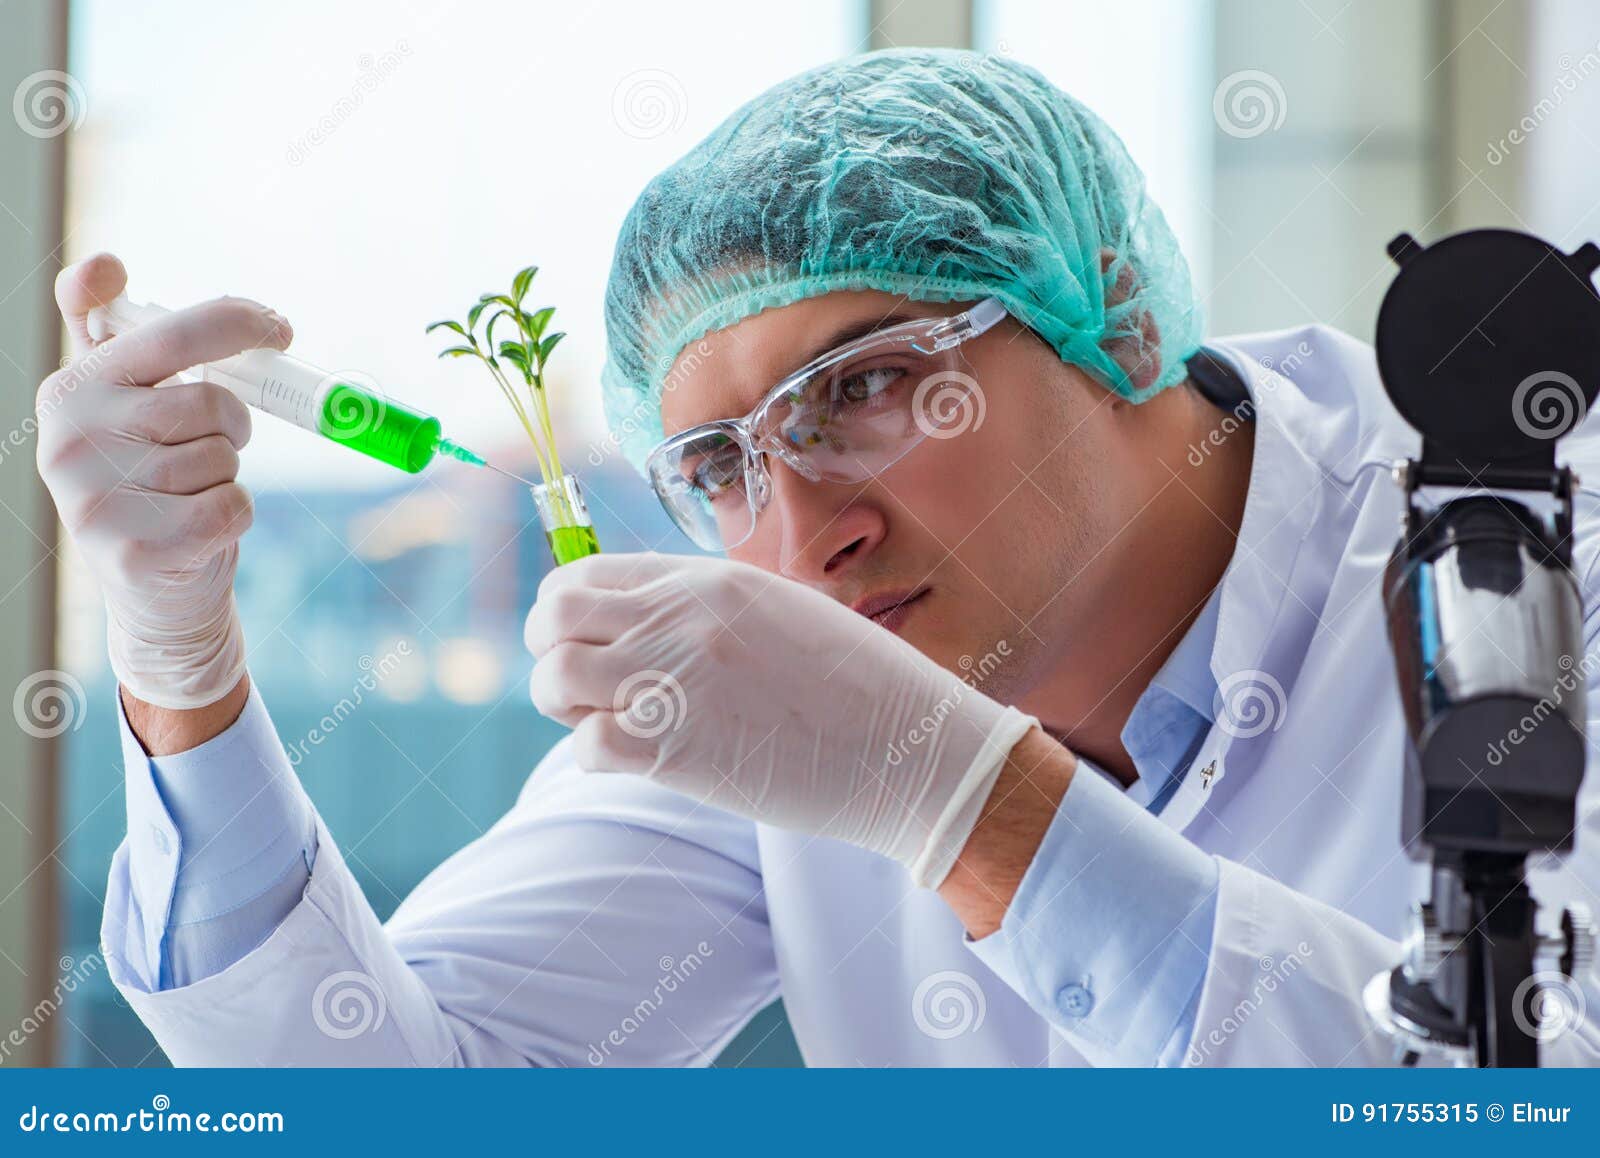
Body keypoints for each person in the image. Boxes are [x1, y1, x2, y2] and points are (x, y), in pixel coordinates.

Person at [37, 48, 1599, 1066]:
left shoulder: (1531, 578)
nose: (801, 536)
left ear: (1114, 317)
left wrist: (970, 801)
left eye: (861, 388)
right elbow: (388, 1092)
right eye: (717, 466)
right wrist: (185, 663)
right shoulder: (784, 695)